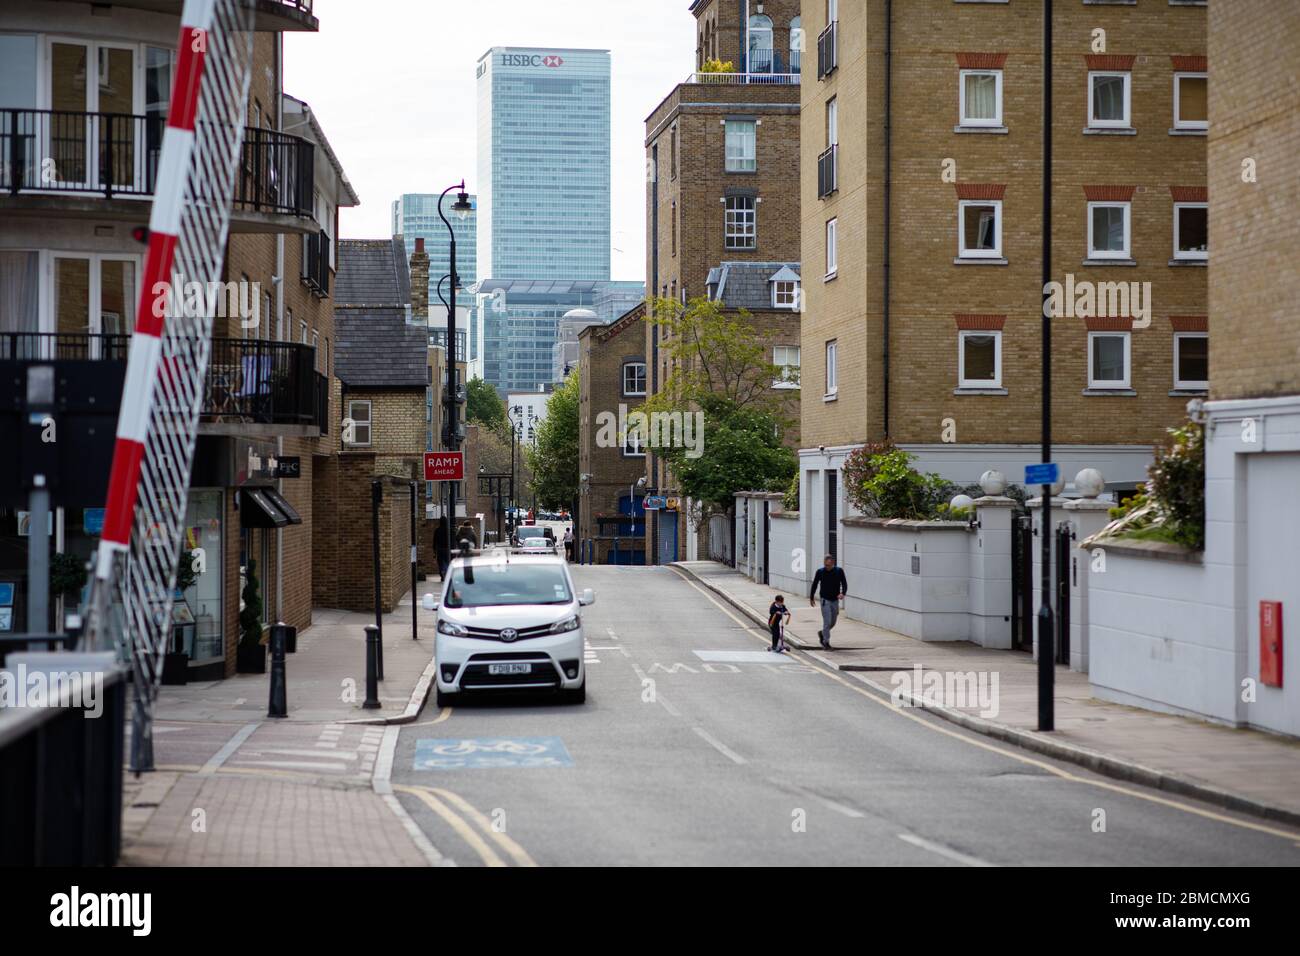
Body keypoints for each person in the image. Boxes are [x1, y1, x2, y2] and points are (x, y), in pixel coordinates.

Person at [809, 554, 848, 649]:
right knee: (827, 621)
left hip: (835, 600)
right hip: (824, 600)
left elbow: (844, 583)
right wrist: (811, 597)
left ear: (833, 564)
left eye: (828, 565)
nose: (827, 567)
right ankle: (826, 642)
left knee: (833, 622)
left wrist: (843, 593)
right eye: (825, 565)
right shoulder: (820, 572)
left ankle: (822, 633)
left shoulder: (839, 571)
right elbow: (814, 584)